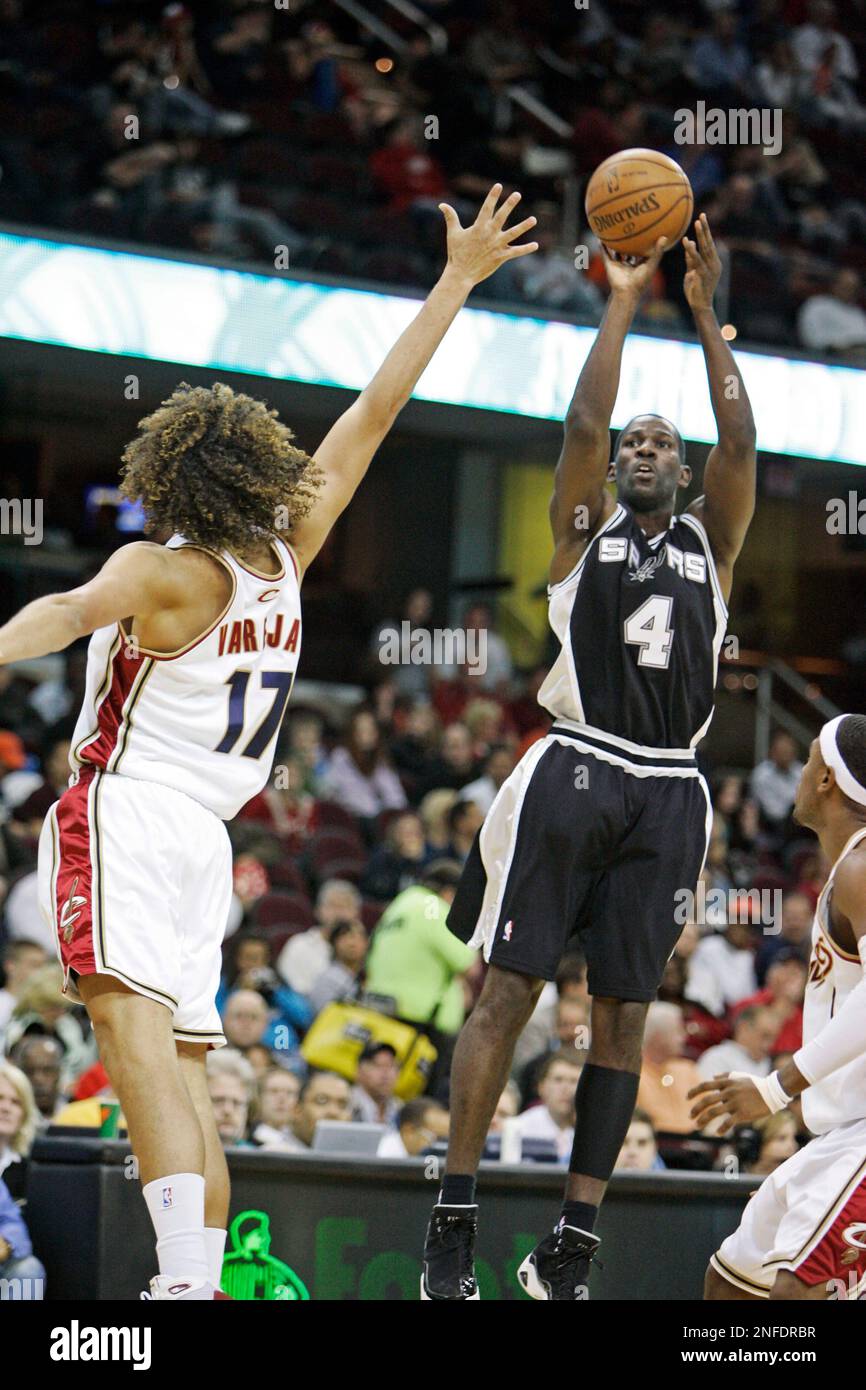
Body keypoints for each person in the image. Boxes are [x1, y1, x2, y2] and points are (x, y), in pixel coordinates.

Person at [0, 183, 536, 1300]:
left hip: (129, 806)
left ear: (168, 477)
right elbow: (372, 414)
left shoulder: (162, 566)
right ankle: (192, 1282)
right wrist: (451, 283)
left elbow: (54, 619)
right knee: (190, 1072)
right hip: (206, 841)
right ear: (253, 471)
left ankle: (185, 1285)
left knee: (132, 1041)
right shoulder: (289, 547)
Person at [423, 214, 757, 1300]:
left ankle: (571, 1239)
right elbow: (580, 415)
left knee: (622, 1012)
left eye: (660, 442)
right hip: (576, 763)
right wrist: (620, 297)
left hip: (669, 788)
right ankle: (454, 1216)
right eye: (632, 445)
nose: (641, 450)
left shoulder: (712, 540)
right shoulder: (580, 534)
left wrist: (707, 322)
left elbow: (741, 442)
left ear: (682, 468)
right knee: (508, 986)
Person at [694, 714, 866, 1300]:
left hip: (863, 1138)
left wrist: (774, 1089)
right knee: (729, 1287)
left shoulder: (863, 870)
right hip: (836, 1135)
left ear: (826, 779)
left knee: (792, 1298)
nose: (798, 771)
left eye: (811, 756)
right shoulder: (846, 871)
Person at [276, 879, 362, 995]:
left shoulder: (366, 950)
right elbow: (294, 990)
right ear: (318, 911)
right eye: (332, 905)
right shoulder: (299, 945)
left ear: (357, 914)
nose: (339, 913)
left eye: (345, 906)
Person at [637, 1004, 703, 1136]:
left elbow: (711, 1110)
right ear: (658, 1036)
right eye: (678, 1030)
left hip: (696, 1148)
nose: (684, 1037)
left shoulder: (687, 1069)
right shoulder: (634, 1075)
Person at [514, 1052, 583, 1164]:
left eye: (574, 1081)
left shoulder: (590, 1131)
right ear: (541, 1087)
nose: (566, 1089)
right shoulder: (520, 1128)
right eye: (558, 1080)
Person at [696, 1006, 777, 1082]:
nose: (770, 1044)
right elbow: (709, 1095)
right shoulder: (716, 1058)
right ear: (744, 1028)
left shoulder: (770, 1065)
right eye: (765, 1036)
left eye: (773, 1038)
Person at [750, 731, 804, 835]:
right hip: (770, 826)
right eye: (782, 752)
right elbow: (773, 812)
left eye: (789, 752)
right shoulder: (761, 775)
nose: (786, 755)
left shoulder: (802, 772)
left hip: (798, 825)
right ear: (773, 753)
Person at [377, 1097, 450, 1158]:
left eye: (446, 1140)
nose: (442, 1147)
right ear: (409, 1131)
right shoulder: (382, 1157)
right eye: (437, 1138)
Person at [350, 1042, 401, 1126]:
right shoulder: (345, 1103)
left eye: (391, 1065)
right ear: (359, 1072)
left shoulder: (400, 1108)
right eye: (377, 1065)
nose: (385, 1073)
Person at [252, 1066, 301, 1149]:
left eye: (289, 1093)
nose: (282, 1099)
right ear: (260, 1099)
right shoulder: (247, 1140)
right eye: (273, 1091)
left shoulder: (304, 1141)